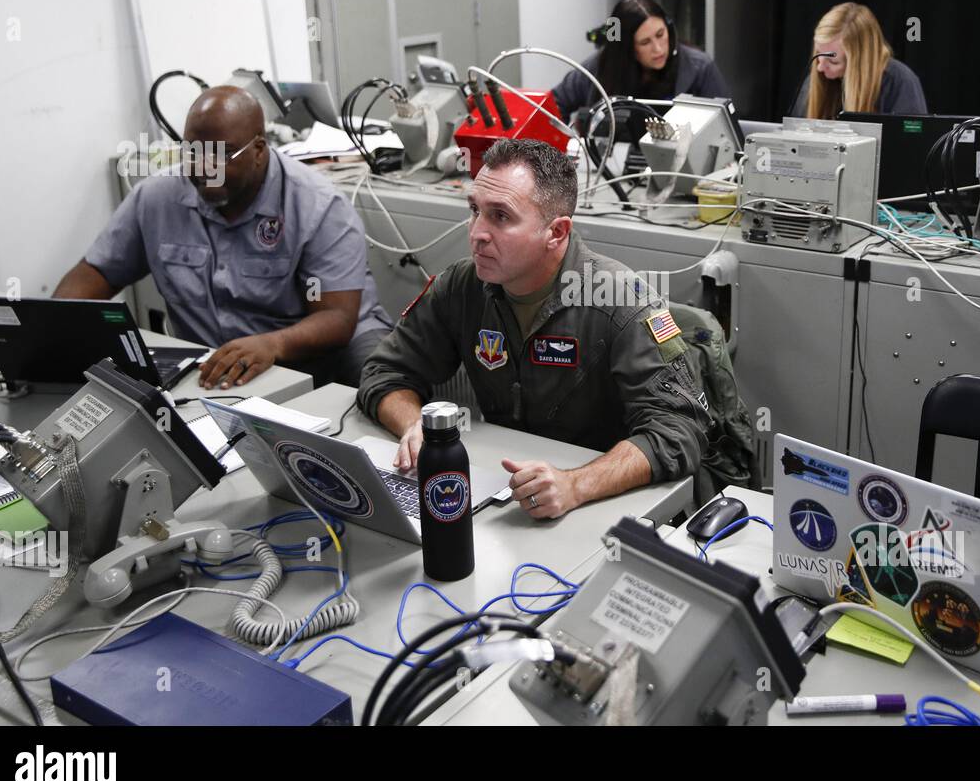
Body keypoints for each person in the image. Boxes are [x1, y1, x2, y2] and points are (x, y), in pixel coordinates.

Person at [356, 138, 710, 521]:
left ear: (556, 233)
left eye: (501, 217)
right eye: (474, 210)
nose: (477, 232)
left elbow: (680, 428)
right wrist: (414, 426)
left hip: (607, 506)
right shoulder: (462, 287)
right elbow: (386, 372)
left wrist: (576, 484)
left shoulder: (621, 301)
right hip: (508, 496)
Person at [54, 86, 392, 389]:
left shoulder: (318, 206)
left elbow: (337, 318)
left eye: (219, 154)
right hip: (220, 365)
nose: (203, 167)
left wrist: (272, 344)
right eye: (193, 152)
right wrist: (51, 331)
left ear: (259, 149)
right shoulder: (157, 199)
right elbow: (95, 274)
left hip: (320, 354)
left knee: (380, 381)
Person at [551, 0, 731, 119]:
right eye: (645, 42)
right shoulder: (598, 68)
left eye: (660, 34)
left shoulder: (700, 68)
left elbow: (727, 128)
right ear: (627, 48)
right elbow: (551, 108)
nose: (659, 49)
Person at [789, 2, 927, 118]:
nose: (820, 67)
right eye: (819, 55)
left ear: (859, 62)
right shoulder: (817, 79)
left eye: (833, 61)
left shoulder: (899, 82)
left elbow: (910, 145)